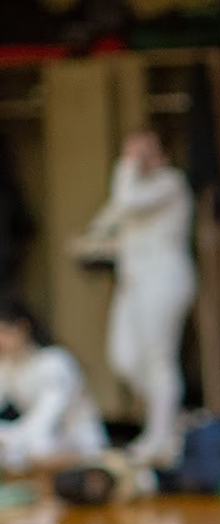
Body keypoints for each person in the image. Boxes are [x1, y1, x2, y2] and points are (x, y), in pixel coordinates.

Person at [83, 130, 196, 469]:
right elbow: (105, 221)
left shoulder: (170, 183)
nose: (136, 160)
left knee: (158, 358)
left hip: (165, 280)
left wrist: (128, 165)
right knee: (125, 358)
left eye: (142, 152)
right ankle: (172, 421)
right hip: (133, 284)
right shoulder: (132, 189)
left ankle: (161, 438)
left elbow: (127, 201)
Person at [0, 296, 107, 476]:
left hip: (78, 444)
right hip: (36, 438)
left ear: (21, 328)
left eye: (2, 332)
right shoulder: (7, 366)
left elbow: (43, 422)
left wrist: (9, 438)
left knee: (36, 450)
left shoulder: (55, 362)